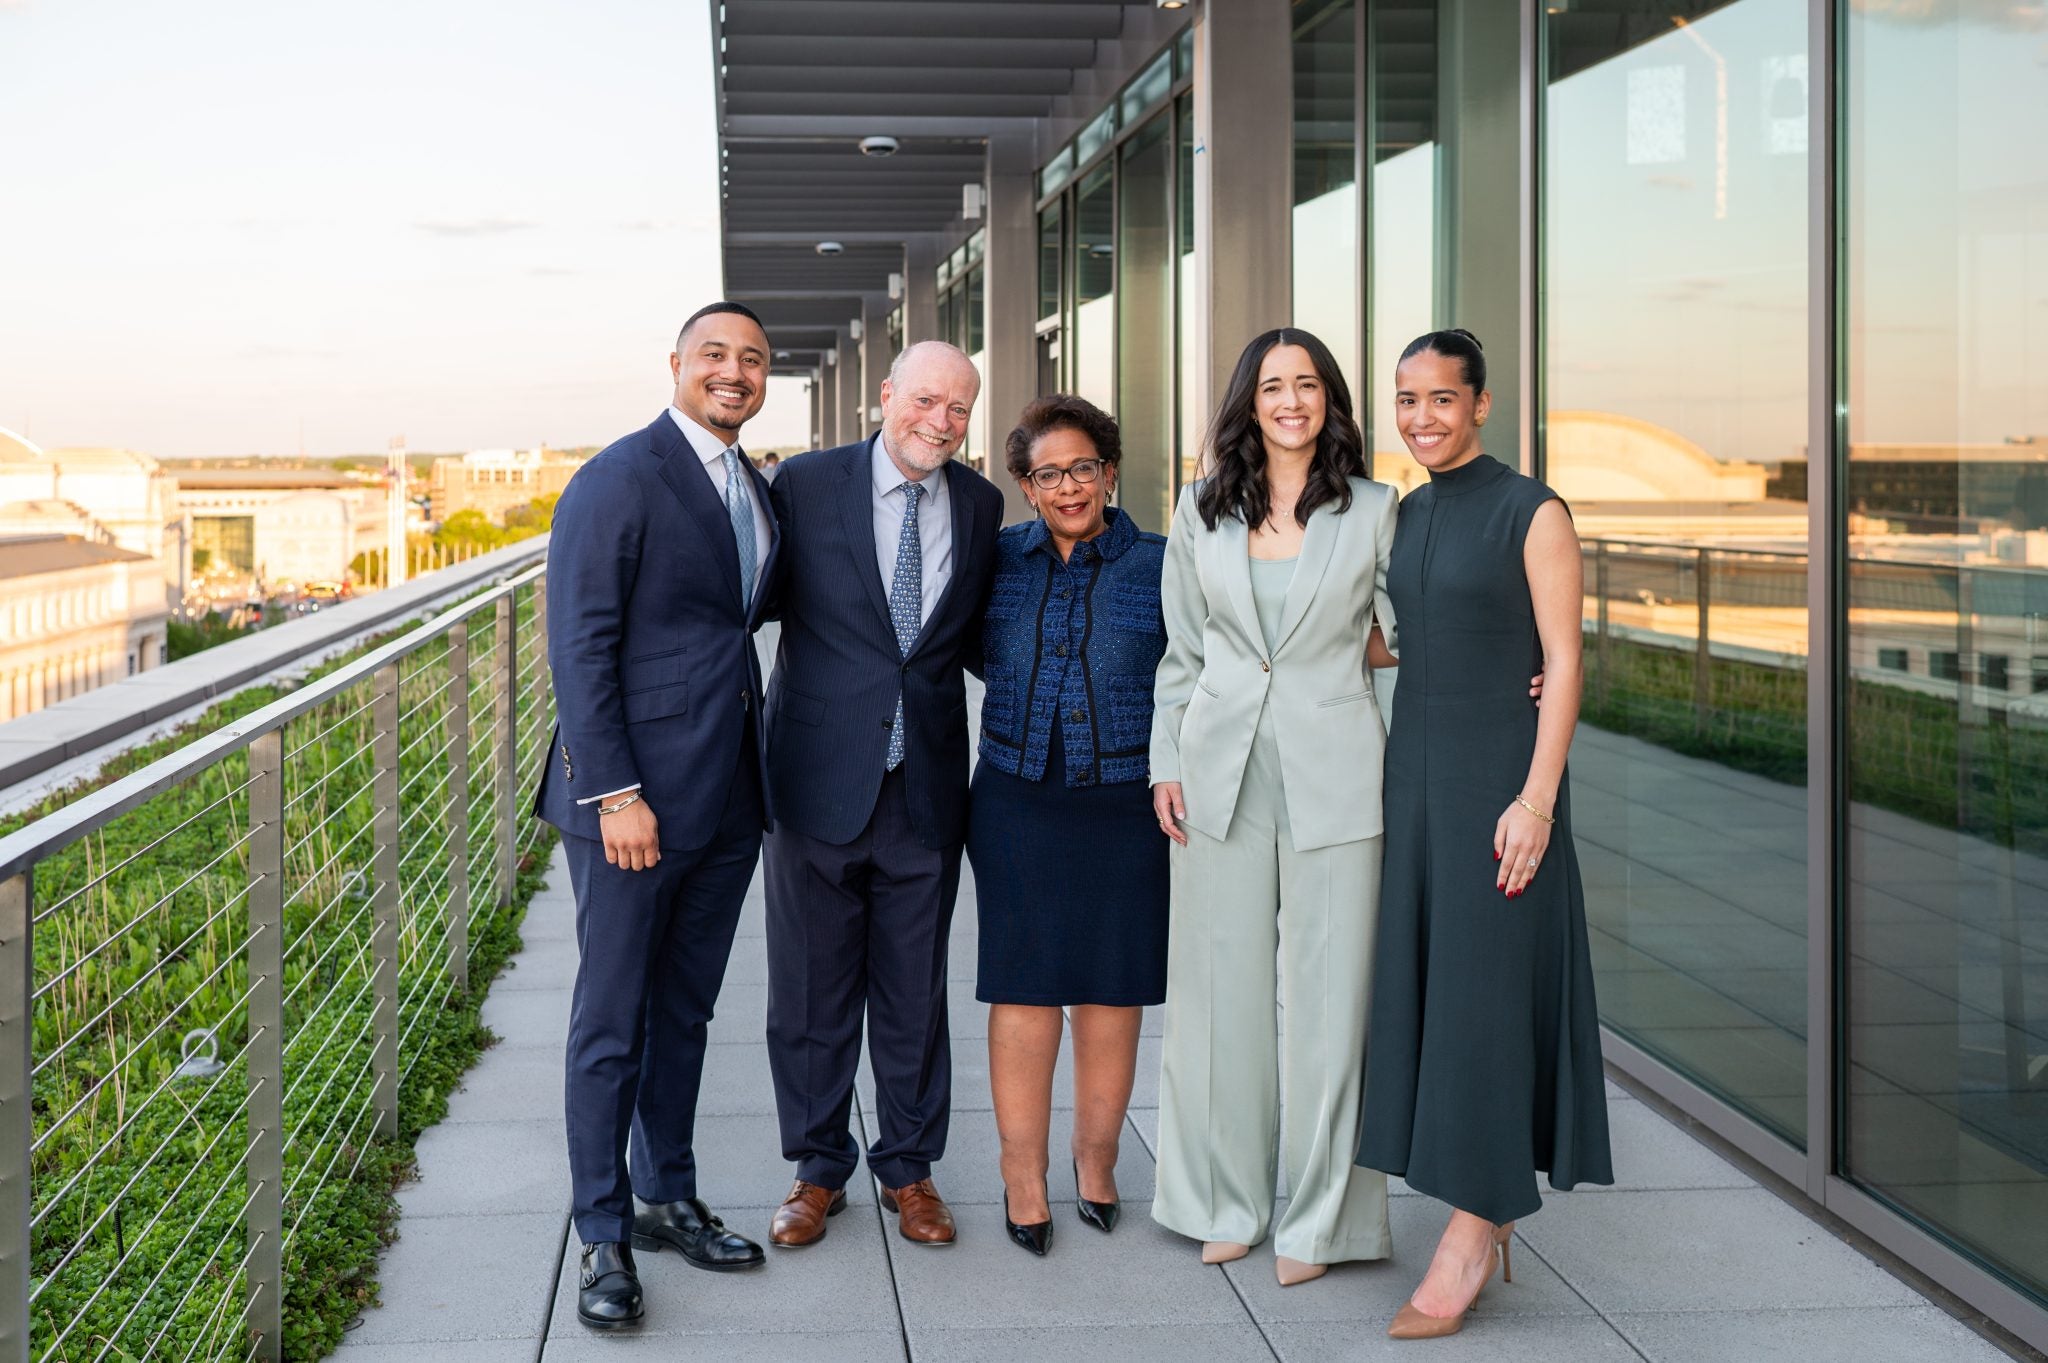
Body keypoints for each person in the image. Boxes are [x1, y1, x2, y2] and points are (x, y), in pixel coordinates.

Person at [1357, 328, 1613, 1340]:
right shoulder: (1407, 512)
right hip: (1413, 775)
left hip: (1498, 786)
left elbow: (1564, 659)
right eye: (1405, 399)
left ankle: (1474, 1223)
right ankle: (1475, 1200)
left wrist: (1535, 798)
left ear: (1481, 403)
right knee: (1435, 993)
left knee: (1482, 999)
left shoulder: (1532, 509)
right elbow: (1392, 638)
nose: (1421, 416)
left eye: (1440, 399)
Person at [534, 302, 782, 1331]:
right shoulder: (616, 479)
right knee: (610, 1020)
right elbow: (579, 646)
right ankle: (601, 1232)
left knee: (684, 1010)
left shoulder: (753, 485)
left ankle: (665, 1193)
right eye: (715, 356)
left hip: (725, 796)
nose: (733, 373)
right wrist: (613, 790)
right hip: (631, 803)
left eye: (753, 361)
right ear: (676, 364)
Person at [1148, 328, 1399, 1287]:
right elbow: (1183, 653)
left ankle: (1323, 1218)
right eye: (1271, 386)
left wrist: (1525, 665)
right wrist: (1165, 762)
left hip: (1337, 772)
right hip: (1219, 771)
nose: (1290, 400)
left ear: (1330, 399)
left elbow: (1408, 633)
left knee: (1334, 1003)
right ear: (1247, 403)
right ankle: (1224, 1201)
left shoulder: (1376, 511)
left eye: (1307, 384)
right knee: (1217, 998)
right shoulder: (1198, 510)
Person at [760, 340, 1005, 1249]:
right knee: (811, 992)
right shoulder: (806, 485)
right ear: (886, 393)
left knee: (914, 993)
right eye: (927, 400)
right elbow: (744, 600)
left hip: (926, 790)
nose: (941, 422)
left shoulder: (980, 504)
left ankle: (910, 1168)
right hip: (816, 780)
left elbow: (974, 636)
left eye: (959, 409)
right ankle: (815, 1169)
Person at [966, 395, 1169, 1257]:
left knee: (1110, 992)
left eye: (1083, 467)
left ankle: (1096, 1161)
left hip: (1127, 805)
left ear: (1110, 470)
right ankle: (1021, 1174)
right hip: (1015, 799)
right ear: (1024, 485)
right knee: (1022, 988)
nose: (1069, 486)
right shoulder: (995, 560)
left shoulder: (1164, 562)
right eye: (1048, 473)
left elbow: (1224, 656)